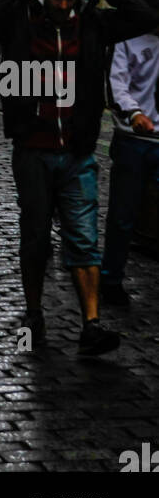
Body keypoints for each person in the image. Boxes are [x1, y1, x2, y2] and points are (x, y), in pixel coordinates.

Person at [0, 0, 158, 355]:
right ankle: (34, 312)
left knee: (84, 239)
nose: (64, 5)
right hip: (33, 149)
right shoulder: (20, 22)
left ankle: (91, 324)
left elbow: (146, 17)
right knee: (36, 237)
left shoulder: (93, 24)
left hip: (77, 150)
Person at [100, 21, 159, 306]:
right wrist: (134, 113)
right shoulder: (128, 36)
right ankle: (111, 279)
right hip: (134, 139)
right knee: (123, 215)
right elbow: (116, 84)